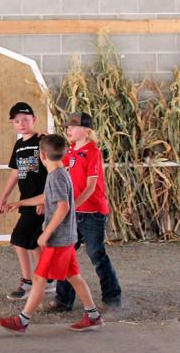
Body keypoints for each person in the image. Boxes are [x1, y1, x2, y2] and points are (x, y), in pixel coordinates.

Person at [0, 134, 104, 334]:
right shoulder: (61, 173)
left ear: (42, 155)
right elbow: (47, 197)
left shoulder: (55, 177)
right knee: (74, 276)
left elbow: (62, 207)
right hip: (67, 237)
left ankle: (22, 320)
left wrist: (46, 234)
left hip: (59, 239)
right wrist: (19, 203)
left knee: (39, 279)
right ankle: (93, 316)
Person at [48, 112, 122, 311]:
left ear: (86, 131)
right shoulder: (70, 151)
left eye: (73, 127)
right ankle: (63, 300)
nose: (68, 130)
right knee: (66, 252)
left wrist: (73, 206)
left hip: (92, 212)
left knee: (96, 253)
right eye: (67, 127)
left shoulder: (93, 152)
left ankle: (112, 296)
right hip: (75, 211)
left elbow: (91, 186)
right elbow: (57, 171)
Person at [0, 102, 54, 300]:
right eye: (17, 121)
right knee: (33, 241)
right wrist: (4, 197)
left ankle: (28, 281)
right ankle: (47, 279)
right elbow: (16, 172)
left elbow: (52, 171)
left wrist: (44, 200)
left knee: (19, 238)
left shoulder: (42, 140)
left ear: (34, 120)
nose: (21, 124)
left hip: (39, 202)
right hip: (25, 200)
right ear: (12, 123)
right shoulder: (19, 144)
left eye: (26, 120)